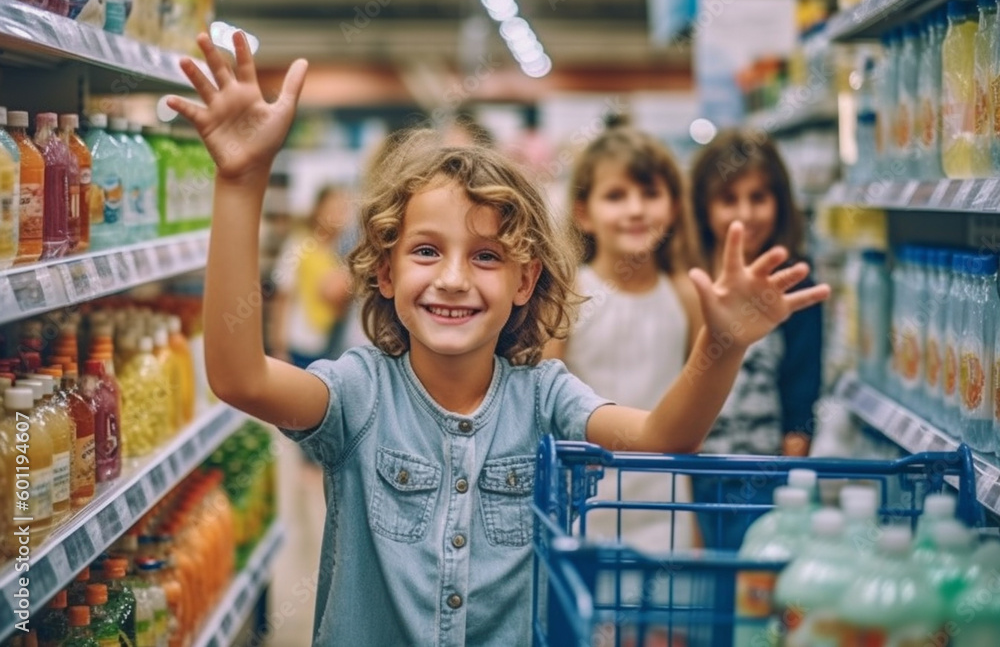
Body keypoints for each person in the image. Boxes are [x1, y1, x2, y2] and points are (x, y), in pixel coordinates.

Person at [166, 32, 829, 646]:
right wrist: (241, 181)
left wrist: (724, 345)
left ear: (524, 280)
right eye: (427, 251)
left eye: (486, 256)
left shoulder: (544, 398)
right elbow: (239, 377)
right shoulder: (358, 393)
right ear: (387, 271)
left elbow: (663, 436)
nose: (454, 278)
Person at [544, 127, 703, 551]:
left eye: (650, 194)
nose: (635, 210)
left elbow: (696, 397)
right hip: (584, 507)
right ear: (583, 213)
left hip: (667, 507)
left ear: (672, 207)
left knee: (668, 617)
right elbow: (542, 401)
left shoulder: (687, 295)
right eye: (616, 196)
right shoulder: (566, 294)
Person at [687, 128, 824, 550]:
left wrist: (790, 484)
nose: (745, 213)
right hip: (687, 476)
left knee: (759, 603)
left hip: (767, 480)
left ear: (780, 204)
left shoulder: (795, 285)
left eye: (759, 197)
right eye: (729, 199)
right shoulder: (688, 278)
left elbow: (801, 391)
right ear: (703, 207)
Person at [269, 185, 354, 369]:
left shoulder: (340, 253)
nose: (339, 215)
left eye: (343, 210)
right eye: (333, 209)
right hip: (298, 346)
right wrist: (279, 348)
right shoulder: (299, 245)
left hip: (329, 347)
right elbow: (282, 298)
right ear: (318, 210)